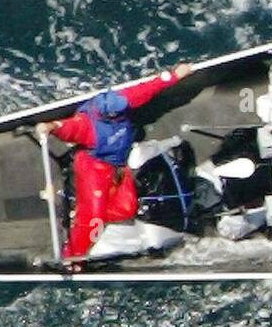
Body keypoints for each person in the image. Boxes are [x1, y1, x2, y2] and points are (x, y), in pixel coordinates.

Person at [36, 63, 194, 264]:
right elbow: (65, 128)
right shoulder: (87, 125)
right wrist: (49, 127)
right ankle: (73, 256)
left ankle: (83, 209)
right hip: (94, 167)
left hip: (118, 166)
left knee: (127, 207)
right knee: (95, 217)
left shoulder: (124, 101)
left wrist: (174, 76)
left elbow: (148, 89)